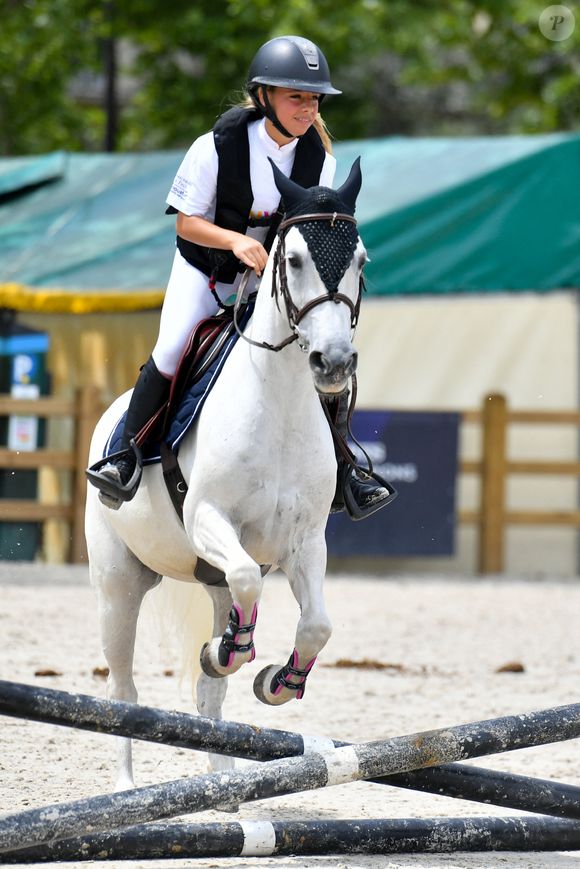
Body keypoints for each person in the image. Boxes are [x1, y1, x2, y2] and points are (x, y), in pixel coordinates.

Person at [87, 35, 395, 519]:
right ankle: (124, 456)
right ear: (263, 97)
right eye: (297, 96)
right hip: (205, 270)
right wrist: (234, 241)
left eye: (314, 98)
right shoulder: (216, 147)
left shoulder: (322, 161)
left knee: (318, 352)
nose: (308, 107)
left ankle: (345, 472)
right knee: (173, 347)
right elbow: (186, 223)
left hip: (271, 284)